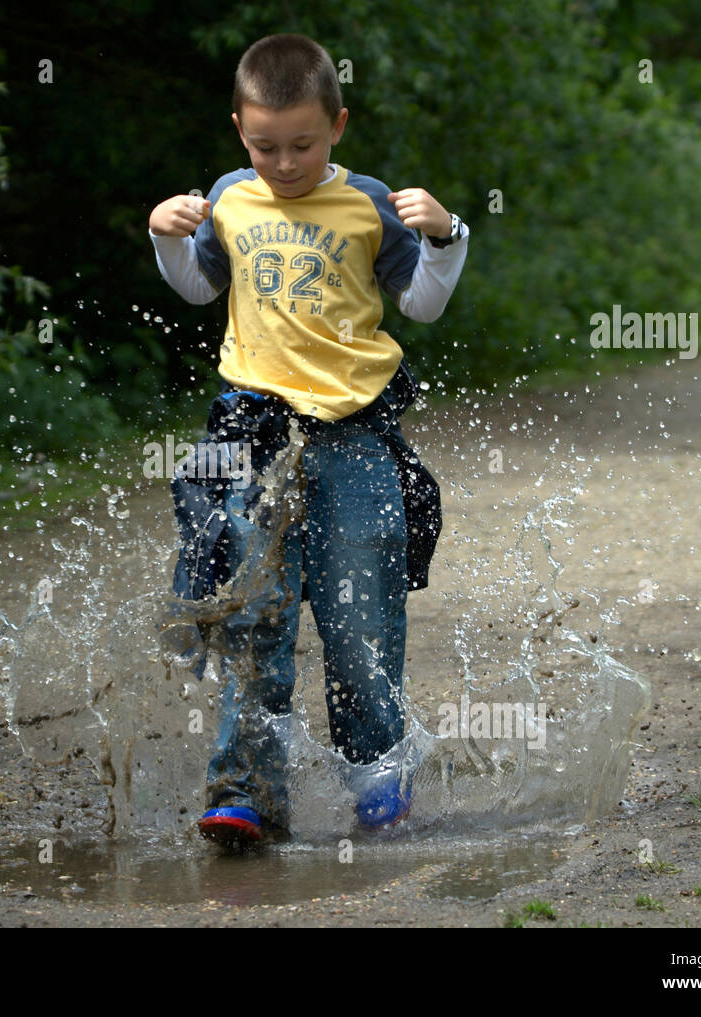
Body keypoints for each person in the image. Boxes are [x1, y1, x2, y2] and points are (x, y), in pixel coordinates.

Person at [148, 32, 469, 847]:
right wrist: (164, 235)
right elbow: (197, 286)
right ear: (237, 128)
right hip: (252, 436)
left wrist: (445, 238)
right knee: (252, 613)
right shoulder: (228, 197)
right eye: (263, 145)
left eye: (301, 144)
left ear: (338, 124)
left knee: (361, 617)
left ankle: (378, 777)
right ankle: (247, 791)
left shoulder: (368, 205)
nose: (282, 162)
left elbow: (422, 305)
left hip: (354, 435)